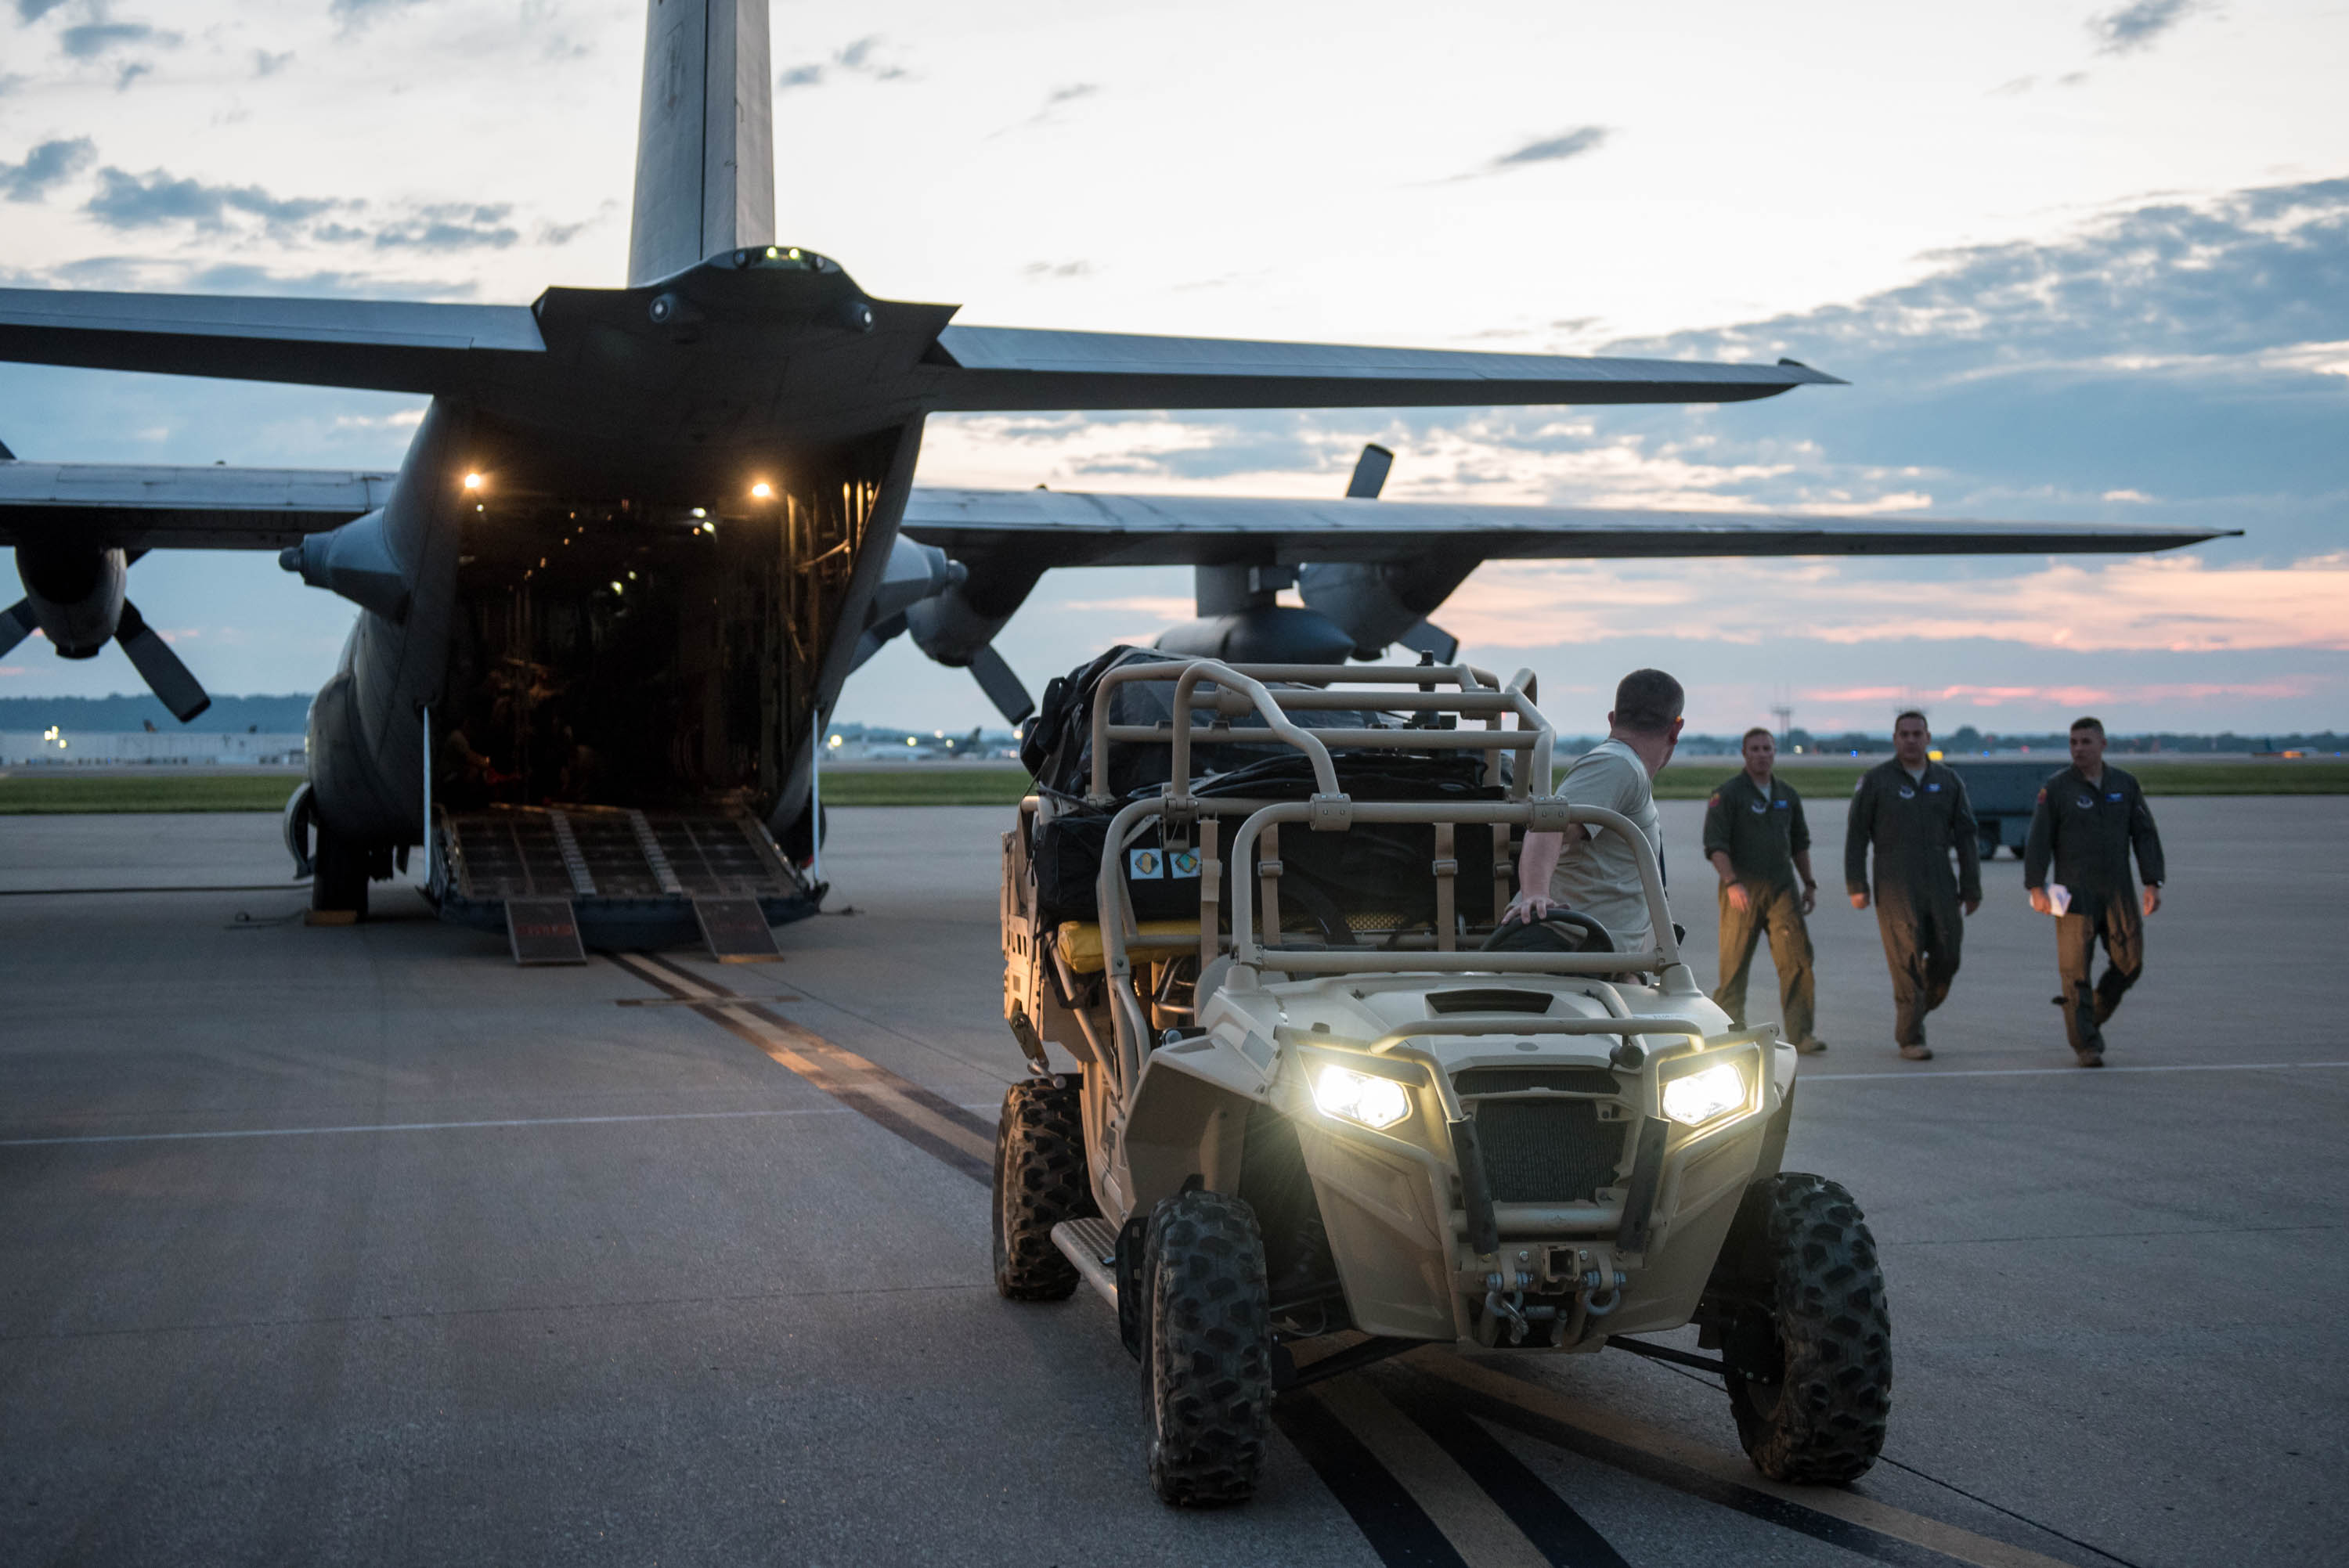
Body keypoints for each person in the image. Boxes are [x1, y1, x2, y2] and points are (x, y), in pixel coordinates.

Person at [1507, 668, 1680, 955]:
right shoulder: (1616, 764)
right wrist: (1535, 894)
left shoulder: (1625, 769)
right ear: (1676, 730)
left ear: (1612, 719)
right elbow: (1550, 823)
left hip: (1584, 950)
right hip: (1561, 947)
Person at [2023, 716, 2165, 1068]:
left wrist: (2152, 881)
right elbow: (2039, 840)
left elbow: (2144, 833)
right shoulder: (2056, 788)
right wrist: (2035, 887)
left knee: (2130, 963)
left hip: (2118, 889)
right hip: (2070, 892)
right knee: (2075, 971)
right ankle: (2086, 1043)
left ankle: (2089, 1015)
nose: (2078, 749)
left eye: (2086, 742)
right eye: (2073, 743)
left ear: (2103, 744)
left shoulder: (2125, 785)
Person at [1846, 711, 1981, 1061]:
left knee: (1948, 955)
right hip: (1895, 882)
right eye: (1903, 734)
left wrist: (1972, 886)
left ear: (1928, 737)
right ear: (1895, 739)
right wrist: (1856, 884)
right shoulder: (1876, 780)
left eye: (1916, 733)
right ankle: (1911, 1037)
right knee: (1905, 958)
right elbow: (1858, 834)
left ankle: (1918, 1007)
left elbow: (1966, 836)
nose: (1910, 739)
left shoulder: (1949, 781)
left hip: (1940, 878)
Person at [1705, 727, 1825, 1054]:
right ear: (1745, 754)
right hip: (1741, 891)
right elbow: (1715, 846)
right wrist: (1731, 882)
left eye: (1767, 749)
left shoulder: (1787, 795)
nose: (1762, 754)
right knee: (1734, 967)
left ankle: (1802, 1034)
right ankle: (1728, 1032)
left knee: (1798, 961)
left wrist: (1809, 883)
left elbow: (1800, 844)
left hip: (1783, 890)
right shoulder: (1727, 795)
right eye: (1755, 749)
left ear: (1775, 753)